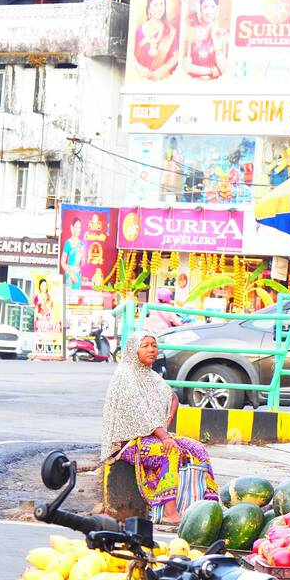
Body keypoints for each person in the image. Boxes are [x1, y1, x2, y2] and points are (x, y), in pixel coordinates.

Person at [101, 331, 219, 525]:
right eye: (145, 346)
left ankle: (206, 506)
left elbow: (172, 396)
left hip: (152, 434)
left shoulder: (151, 376)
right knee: (170, 451)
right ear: (133, 350)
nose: (151, 350)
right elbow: (142, 413)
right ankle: (169, 512)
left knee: (198, 448)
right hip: (129, 441)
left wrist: (169, 416)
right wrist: (165, 437)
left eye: (154, 346)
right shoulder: (125, 375)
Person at [133, 0, 180, 81]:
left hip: (163, 79)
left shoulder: (170, 31)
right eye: (155, 5)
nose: (159, 8)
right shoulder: (139, 30)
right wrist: (140, 68)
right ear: (149, 8)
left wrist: (162, 70)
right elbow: (131, 54)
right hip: (141, 79)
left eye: (162, 4)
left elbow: (176, 55)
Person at [183, 0, 228, 80]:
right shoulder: (192, 32)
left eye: (212, 7)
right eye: (205, 7)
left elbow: (223, 69)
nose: (209, 11)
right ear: (200, 8)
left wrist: (217, 45)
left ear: (217, 9)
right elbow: (186, 66)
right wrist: (209, 71)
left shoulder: (222, 33)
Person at [61, 218, 85, 290]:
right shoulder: (68, 243)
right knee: (67, 298)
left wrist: (83, 256)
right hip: (69, 275)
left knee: (75, 299)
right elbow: (62, 262)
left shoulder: (81, 244)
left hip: (77, 276)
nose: (78, 229)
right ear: (72, 227)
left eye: (79, 227)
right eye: (76, 227)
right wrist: (71, 274)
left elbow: (82, 264)